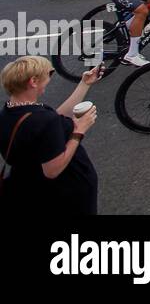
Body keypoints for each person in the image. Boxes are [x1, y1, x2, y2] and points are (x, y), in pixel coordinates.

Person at [0, 55, 101, 214]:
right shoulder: (43, 119)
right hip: (66, 194)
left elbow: (56, 119)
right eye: (48, 74)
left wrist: (84, 84)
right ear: (33, 82)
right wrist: (79, 130)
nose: (49, 78)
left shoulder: (10, 111)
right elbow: (52, 170)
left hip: (30, 189)